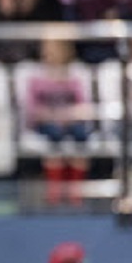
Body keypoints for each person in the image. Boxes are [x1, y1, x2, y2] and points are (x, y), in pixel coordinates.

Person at [23, 38, 92, 205]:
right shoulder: (36, 77)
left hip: (71, 120)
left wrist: (68, 115)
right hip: (45, 122)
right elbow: (32, 108)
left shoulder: (74, 76)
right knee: (54, 134)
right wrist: (52, 115)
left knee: (81, 135)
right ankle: (55, 190)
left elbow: (83, 104)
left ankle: (75, 190)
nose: (49, 52)